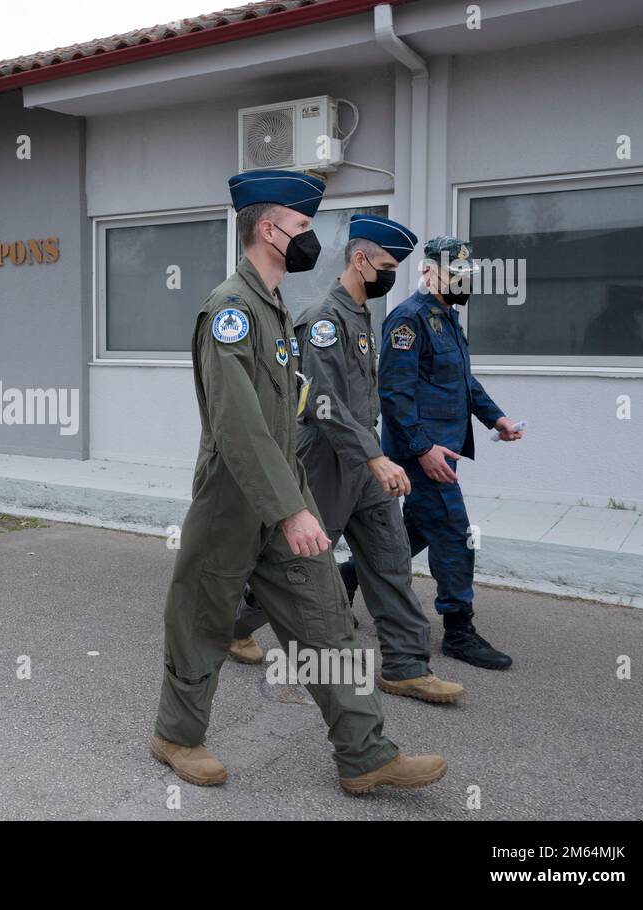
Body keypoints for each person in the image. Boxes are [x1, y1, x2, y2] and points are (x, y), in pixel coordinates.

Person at [150, 169, 446, 795]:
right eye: (305, 227)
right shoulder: (232, 310)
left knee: (325, 620)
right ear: (269, 228)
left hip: (290, 495)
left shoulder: (278, 309)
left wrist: (296, 501)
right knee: (202, 623)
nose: (313, 240)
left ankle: (365, 755)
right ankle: (177, 735)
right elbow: (237, 424)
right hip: (233, 502)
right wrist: (291, 508)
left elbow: (292, 411)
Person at [230, 215, 464, 704]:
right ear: (360, 261)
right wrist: (376, 457)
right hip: (326, 463)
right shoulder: (322, 319)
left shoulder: (362, 316)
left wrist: (376, 458)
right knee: (298, 566)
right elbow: (322, 403)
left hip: (366, 466)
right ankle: (232, 624)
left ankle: (405, 666)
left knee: (390, 561)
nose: (392, 274)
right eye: (386, 264)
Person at [343, 236, 523, 670]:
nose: (464, 282)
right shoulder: (409, 319)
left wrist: (495, 419)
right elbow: (394, 392)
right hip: (421, 453)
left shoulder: (447, 318)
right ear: (429, 273)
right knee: (455, 535)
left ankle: (344, 578)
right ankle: (459, 630)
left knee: (416, 532)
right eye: (456, 275)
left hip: (444, 449)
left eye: (467, 276)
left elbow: (464, 381)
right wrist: (422, 450)